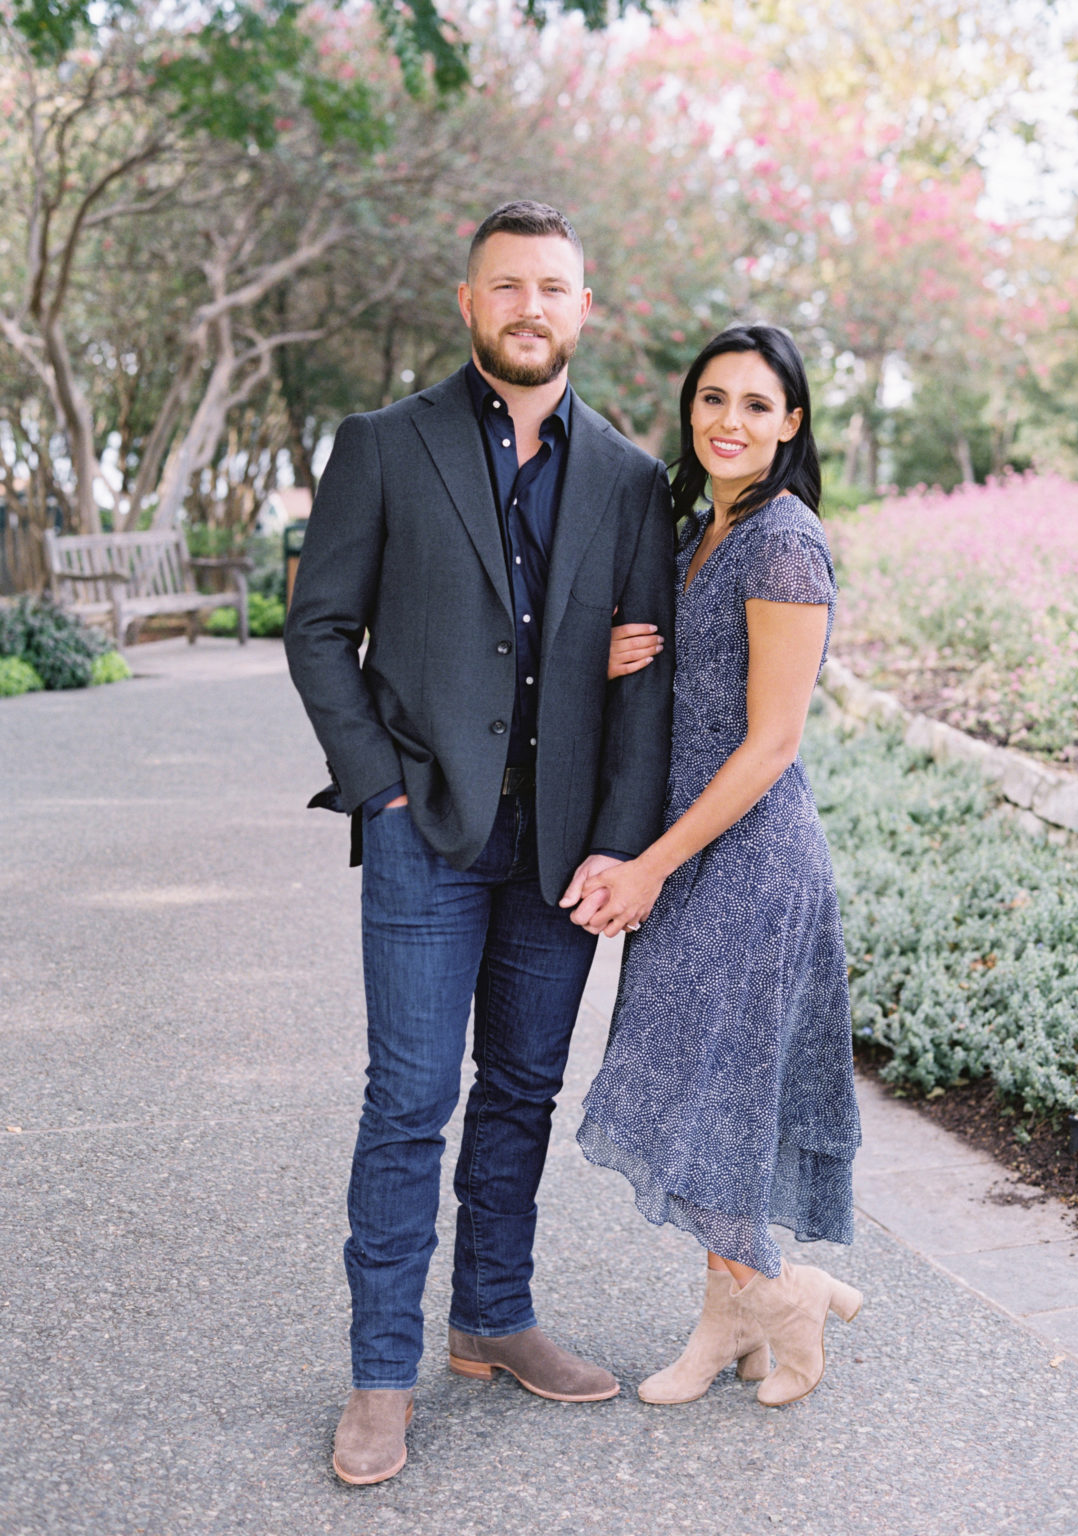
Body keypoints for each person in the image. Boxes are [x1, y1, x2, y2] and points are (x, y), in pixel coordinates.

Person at [284, 201, 675, 1483]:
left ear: (583, 308)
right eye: (506, 285)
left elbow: (645, 686)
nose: (528, 307)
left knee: (521, 1090)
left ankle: (494, 1316)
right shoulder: (383, 445)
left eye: (551, 287)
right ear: (468, 303)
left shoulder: (630, 478)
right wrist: (378, 790)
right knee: (409, 1103)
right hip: (424, 830)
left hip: (561, 848)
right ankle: (379, 1375)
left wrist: (619, 845)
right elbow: (319, 626)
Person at [568, 323, 863, 1408]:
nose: (728, 421)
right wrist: (610, 656)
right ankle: (737, 1315)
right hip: (691, 855)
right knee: (709, 1100)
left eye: (755, 404)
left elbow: (772, 742)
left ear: (791, 424)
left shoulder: (783, 540)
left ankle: (780, 1298)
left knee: (687, 1087)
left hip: (748, 862)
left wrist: (649, 864)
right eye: (712, 398)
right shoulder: (699, 526)